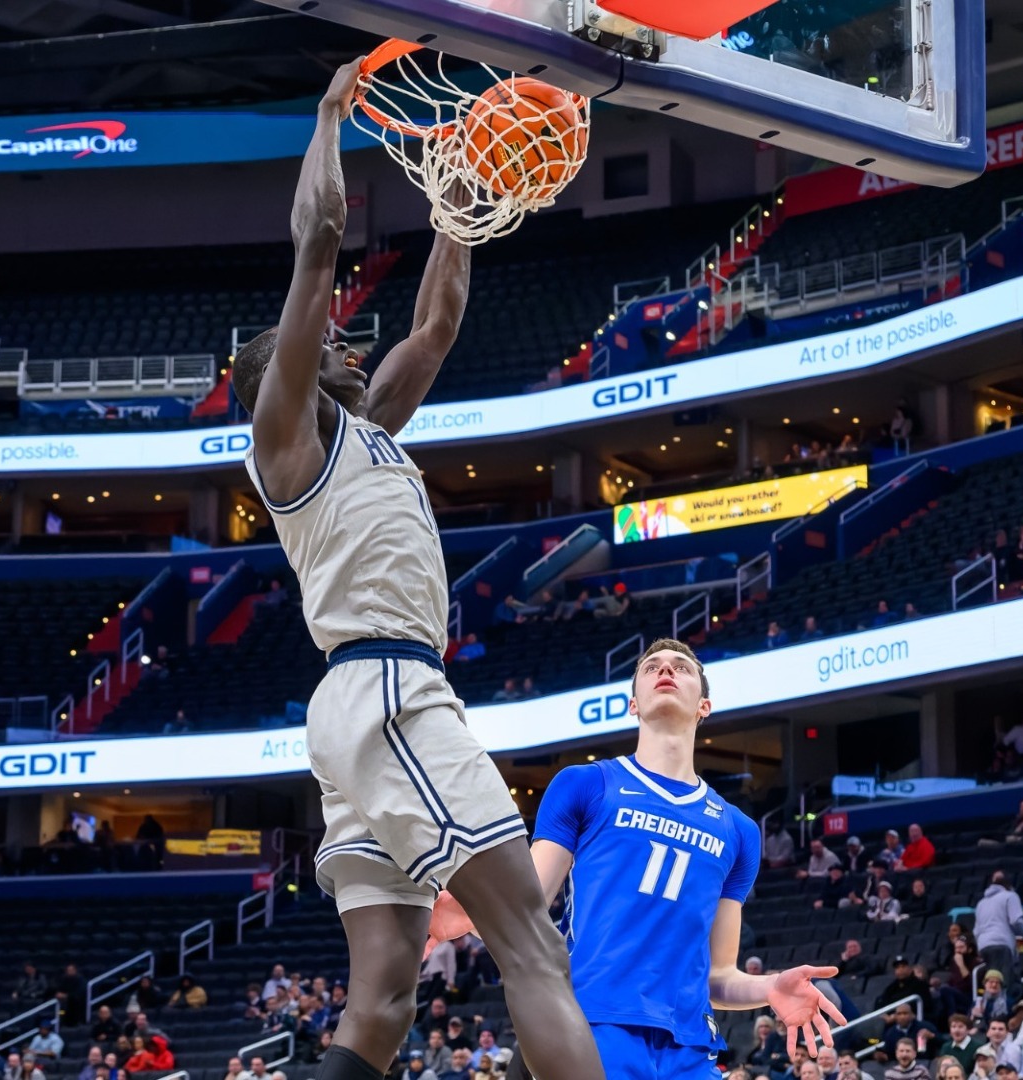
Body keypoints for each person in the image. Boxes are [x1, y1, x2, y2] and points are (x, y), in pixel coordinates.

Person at [237, 61, 603, 1080]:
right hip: (388, 691)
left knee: (385, 998)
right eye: (325, 343)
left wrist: (456, 205)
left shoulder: (369, 429)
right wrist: (328, 116)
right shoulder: (286, 439)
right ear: (282, 375)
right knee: (533, 945)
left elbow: (434, 331)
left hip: (358, 709)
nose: (348, 343)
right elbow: (319, 241)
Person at [483, 639, 843, 1080]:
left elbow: (718, 976)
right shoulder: (586, 784)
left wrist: (769, 986)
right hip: (592, 1021)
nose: (666, 670)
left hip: (689, 1042)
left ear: (704, 706)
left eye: (681, 667)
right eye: (651, 667)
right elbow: (524, 906)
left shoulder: (738, 830)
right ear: (633, 704)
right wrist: (469, 901)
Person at [975, 872, 1023, 979]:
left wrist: (979, 948)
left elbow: (976, 931)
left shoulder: (981, 903)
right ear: (1009, 886)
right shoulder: (1011, 896)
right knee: (1004, 981)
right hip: (1001, 944)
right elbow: (1016, 921)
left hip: (983, 946)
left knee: (992, 980)